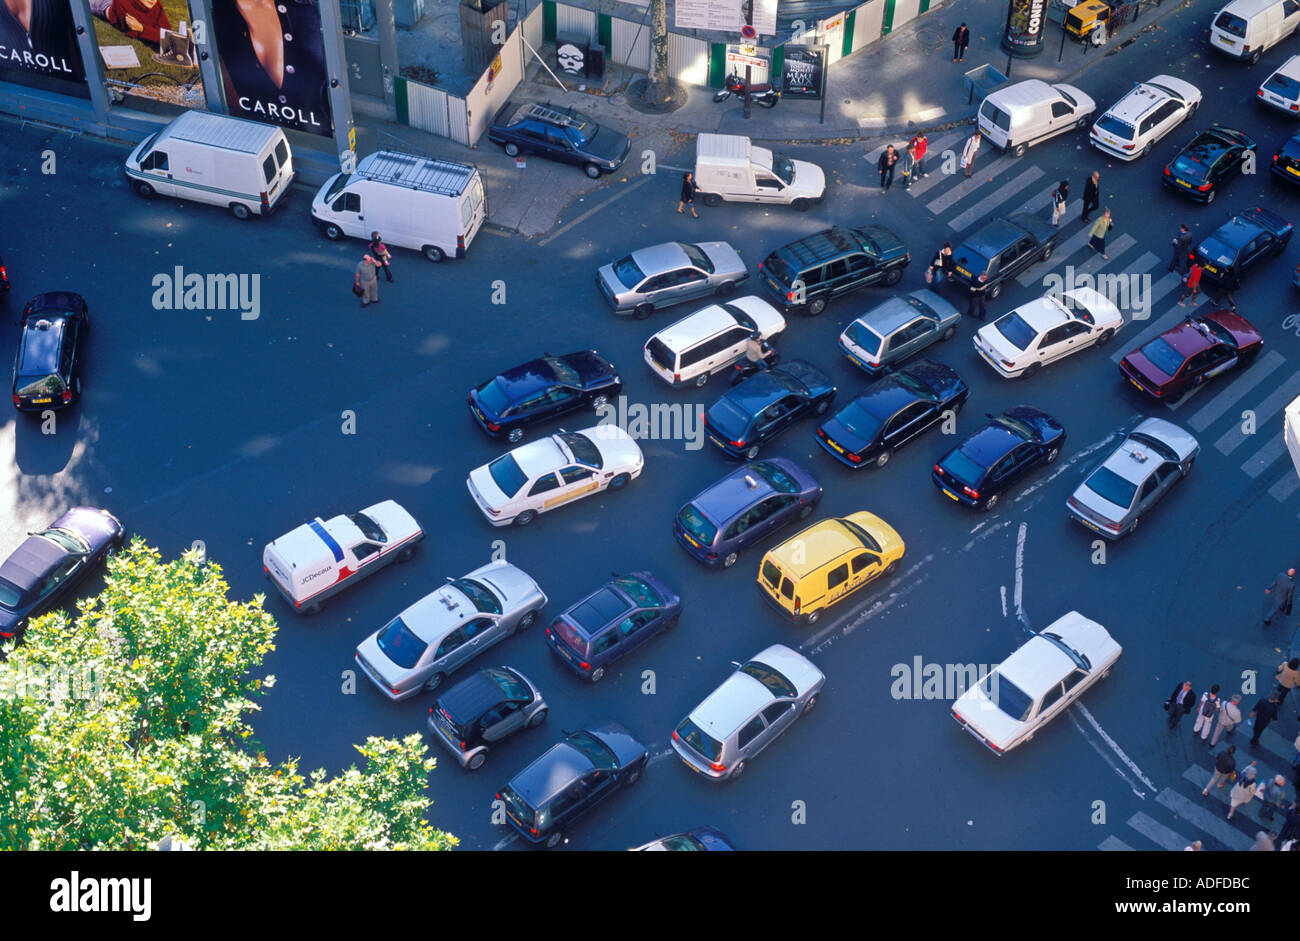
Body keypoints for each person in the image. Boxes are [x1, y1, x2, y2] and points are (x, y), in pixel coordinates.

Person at [211, 0, 331, 135]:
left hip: (327, 148)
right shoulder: (213, 22)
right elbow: (228, 107)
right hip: (258, 146)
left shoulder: (312, 9)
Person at [90, 0, 172, 45]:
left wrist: (142, 28)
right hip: (103, 5)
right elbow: (132, 31)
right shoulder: (122, 3)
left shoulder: (156, 6)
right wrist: (151, 30)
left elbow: (168, 35)